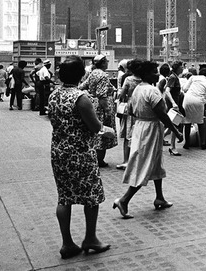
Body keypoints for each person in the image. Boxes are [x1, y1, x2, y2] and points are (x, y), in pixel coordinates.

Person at [48, 55, 111, 259]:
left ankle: (67, 244)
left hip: (59, 151)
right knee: (91, 196)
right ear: (81, 75)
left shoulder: (54, 95)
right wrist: (106, 130)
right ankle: (90, 238)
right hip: (81, 152)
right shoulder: (81, 98)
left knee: (64, 197)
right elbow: (94, 126)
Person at [113, 59, 177, 220]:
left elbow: (131, 110)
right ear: (146, 74)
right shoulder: (152, 91)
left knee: (155, 163)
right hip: (151, 129)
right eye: (154, 72)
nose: (157, 74)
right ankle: (124, 200)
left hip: (140, 127)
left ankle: (159, 197)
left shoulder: (138, 88)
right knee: (145, 165)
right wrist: (176, 131)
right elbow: (162, 115)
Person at [79, 54, 115, 168]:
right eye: (106, 61)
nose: (107, 63)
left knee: (95, 132)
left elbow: (82, 86)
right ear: (103, 63)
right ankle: (99, 160)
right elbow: (102, 96)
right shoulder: (103, 75)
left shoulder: (93, 73)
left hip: (94, 106)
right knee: (103, 133)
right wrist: (107, 110)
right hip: (101, 107)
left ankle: (94, 157)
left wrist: (90, 94)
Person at [182, 66, 206, 149]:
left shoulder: (193, 78)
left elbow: (184, 89)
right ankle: (203, 143)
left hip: (187, 99)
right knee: (200, 122)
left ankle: (187, 143)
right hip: (199, 101)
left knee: (187, 122)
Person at [116, 62, 141, 170]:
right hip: (141, 108)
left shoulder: (128, 80)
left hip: (130, 108)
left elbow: (121, 95)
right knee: (139, 136)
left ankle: (126, 161)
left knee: (128, 136)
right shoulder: (143, 79)